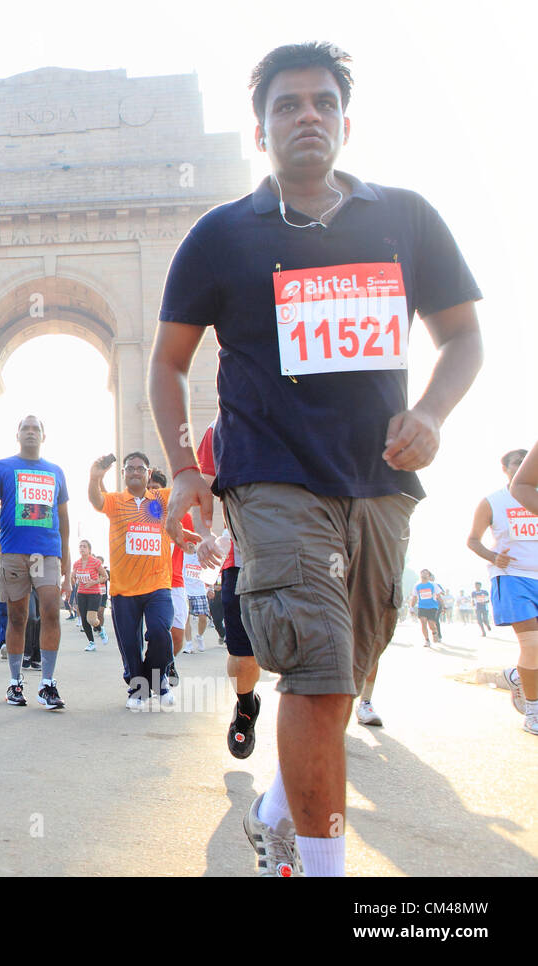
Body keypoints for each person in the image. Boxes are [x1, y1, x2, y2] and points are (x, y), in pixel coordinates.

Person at [150, 43, 483, 876]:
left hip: (379, 481)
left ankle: (273, 805)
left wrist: (434, 412)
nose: (308, 116)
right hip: (269, 478)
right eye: (288, 104)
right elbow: (166, 361)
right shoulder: (220, 235)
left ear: (345, 120)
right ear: (260, 131)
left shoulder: (405, 217)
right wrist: (186, 465)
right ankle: (316, 869)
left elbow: (465, 337)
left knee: (346, 676)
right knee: (320, 669)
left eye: (323, 102)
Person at [0, 415, 71, 711]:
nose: (30, 432)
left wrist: (67, 563)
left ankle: (47, 683)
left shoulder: (56, 471)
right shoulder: (2, 467)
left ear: (44, 436)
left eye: (36, 428)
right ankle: (15, 681)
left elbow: (64, 520)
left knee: (50, 612)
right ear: (17, 434)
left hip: (46, 553)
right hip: (13, 552)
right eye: (25, 428)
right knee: (18, 617)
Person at [195, 421, 265, 759]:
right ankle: (246, 706)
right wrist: (205, 535)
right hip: (240, 557)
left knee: (308, 656)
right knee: (242, 657)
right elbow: (202, 488)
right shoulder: (219, 429)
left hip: (300, 548)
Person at [89, 452, 181, 709]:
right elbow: (96, 500)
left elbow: (186, 489)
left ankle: (158, 678)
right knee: (130, 644)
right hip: (124, 589)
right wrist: (94, 476)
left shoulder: (162, 498)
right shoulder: (117, 501)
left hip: (158, 585)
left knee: (161, 633)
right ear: (124, 474)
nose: (135, 472)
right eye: (130, 468)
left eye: (140, 468)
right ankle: (138, 688)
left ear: (149, 473)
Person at [468, 448, 538, 735]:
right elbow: (473, 540)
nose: (522, 466)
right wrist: (493, 556)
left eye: (526, 461)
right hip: (511, 577)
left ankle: (516, 675)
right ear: (505, 469)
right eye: (516, 462)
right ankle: (533, 712)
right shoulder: (492, 502)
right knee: (532, 645)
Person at [71, 539, 105, 651]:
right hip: (81, 593)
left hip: (94, 593)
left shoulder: (95, 562)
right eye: (80, 546)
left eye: (84, 546)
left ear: (89, 549)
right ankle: (91, 643)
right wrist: (72, 576)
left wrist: (93, 582)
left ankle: (100, 629)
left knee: (91, 618)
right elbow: (74, 577)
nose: (82, 548)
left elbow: (105, 577)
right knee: (84, 619)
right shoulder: (76, 563)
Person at [412, 569, 440, 647]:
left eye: (426, 573)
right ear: (420, 575)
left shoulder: (433, 585)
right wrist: (411, 607)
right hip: (421, 607)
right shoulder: (417, 586)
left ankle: (434, 632)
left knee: (431, 624)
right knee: (423, 623)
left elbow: (438, 595)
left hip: (432, 607)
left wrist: (443, 606)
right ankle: (427, 640)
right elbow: (414, 597)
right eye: (422, 573)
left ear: (428, 575)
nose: (424, 574)